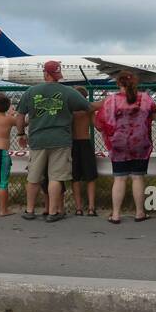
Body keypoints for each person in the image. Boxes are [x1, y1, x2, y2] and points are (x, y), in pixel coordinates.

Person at [15, 60, 92, 223]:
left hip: (37, 140)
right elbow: (87, 106)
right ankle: (53, 212)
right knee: (56, 177)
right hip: (60, 140)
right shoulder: (68, 92)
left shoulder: (31, 92)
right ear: (57, 74)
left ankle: (29, 210)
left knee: (34, 177)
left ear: (45, 73)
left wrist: (20, 134)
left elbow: (20, 115)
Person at [97, 70, 156, 224]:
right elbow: (153, 116)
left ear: (118, 83)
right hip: (140, 144)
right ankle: (139, 213)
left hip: (118, 145)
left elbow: (100, 123)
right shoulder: (145, 99)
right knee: (137, 177)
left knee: (119, 179)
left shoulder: (111, 101)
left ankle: (116, 214)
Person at [69, 86, 104, 216]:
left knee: (75, 177)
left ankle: (78, 208)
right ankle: (91, 207)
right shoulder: (88, 109)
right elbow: (98, 127)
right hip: (85, 142)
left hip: (72, 143)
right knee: (90, 177)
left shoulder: (69, 110)